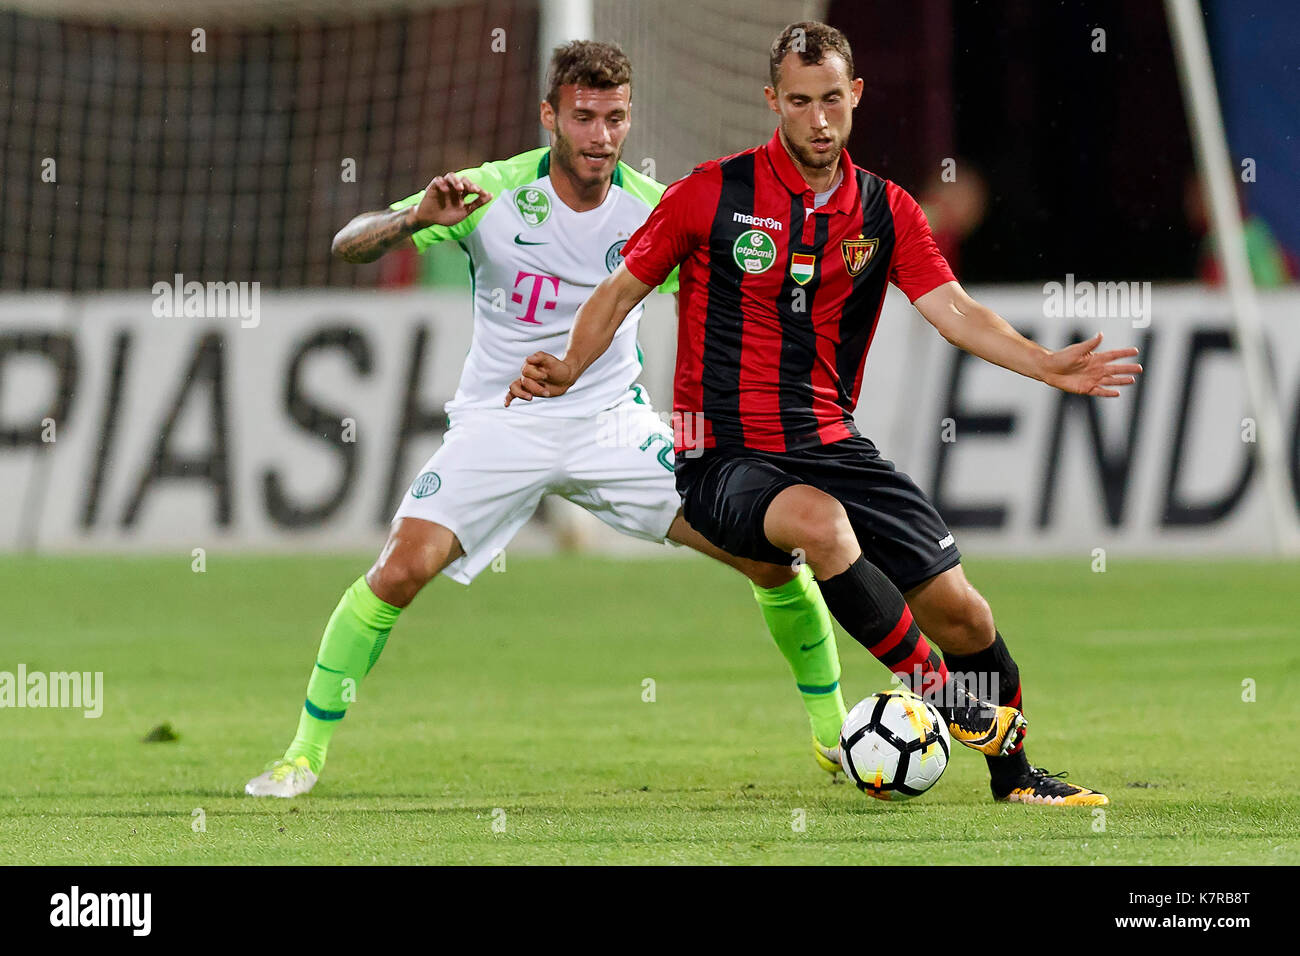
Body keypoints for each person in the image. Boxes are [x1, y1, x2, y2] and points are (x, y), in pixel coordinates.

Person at [509, 21, 1145, 806]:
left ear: (856, 98)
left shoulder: (886, 210)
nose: (818, 119)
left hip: (833, 442)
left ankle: (1015, 779)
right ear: (773, 101)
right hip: (722, 455)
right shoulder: (710, 193)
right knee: (819, 526)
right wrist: (570, 365)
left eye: (832, 100)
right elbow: (620, 290)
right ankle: (941, 695)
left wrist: (1044, 362)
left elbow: (955, 311)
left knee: (963, 613)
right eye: (801, 101)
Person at [246, 40, 852, 798]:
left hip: (613, 426)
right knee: (398, 570)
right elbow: (347, 247)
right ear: (550, 117)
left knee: (769, 557)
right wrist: (411, 222)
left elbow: (731, 302)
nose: (601, 135)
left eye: (616, 118)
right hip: (501, 424)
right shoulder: (486, 193)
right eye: (585, 117)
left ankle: (837, 741)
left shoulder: (654, 208)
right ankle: (302, 755)